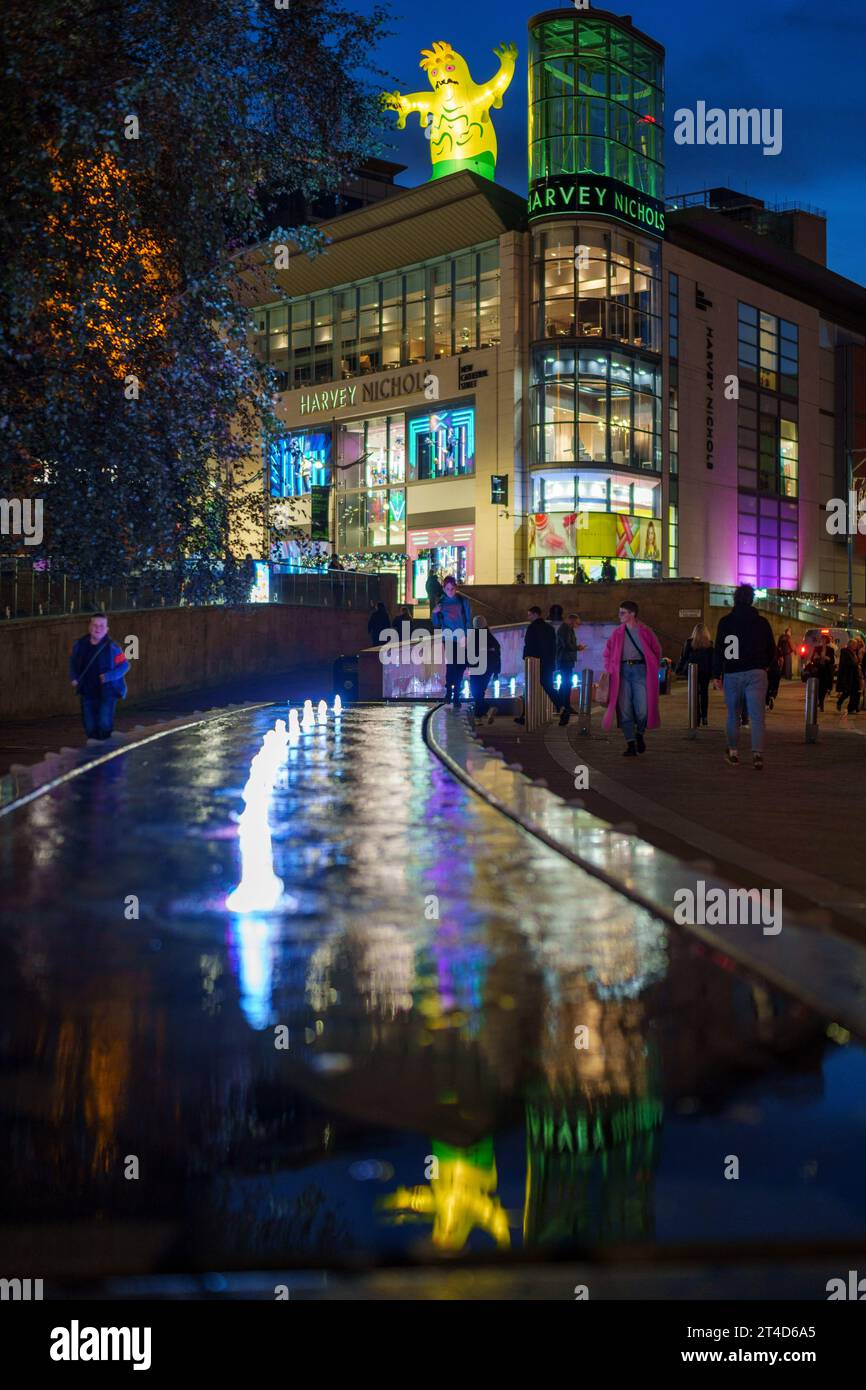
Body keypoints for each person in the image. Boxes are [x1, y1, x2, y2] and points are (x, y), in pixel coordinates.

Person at [712, 584, 776, 770]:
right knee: (757, 716)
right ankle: (757, 755)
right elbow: (772, 649)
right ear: (751, 600)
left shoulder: (725, 622)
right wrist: (765, 665)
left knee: (733, 715)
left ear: (735, 599)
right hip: (756, 672)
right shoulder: (762, 623)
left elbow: (719, 650)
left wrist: (717, 674)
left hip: (732, 672)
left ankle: (733, 752)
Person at [602, 601, 662, 755]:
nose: (619, 615)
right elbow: (607, 652)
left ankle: (639, 734)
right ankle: (630, 743)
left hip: (641, 671)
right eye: (620, 612)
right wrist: (610, 668)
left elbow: (656, 650)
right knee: (625, 709)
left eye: (623, 612)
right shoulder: (617, 633)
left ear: (632, 614)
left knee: (643, 710)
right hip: (621, 672)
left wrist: (652, 666)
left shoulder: (645, 631)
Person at [69, 613, 130, 742]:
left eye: (101, 626)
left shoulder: (113, 647)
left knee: (104, 723)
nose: (98, 628)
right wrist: (74, 677)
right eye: (95, 625)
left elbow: (124, 665)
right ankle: (95, 749)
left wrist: (109, 676)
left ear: (107, 629)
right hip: (87, 690)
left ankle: (105, 749)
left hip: (107, 691)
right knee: (89, 725)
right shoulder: (79, 645)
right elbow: (73, 663)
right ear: (89, 627)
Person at [432, 575, 472, 708]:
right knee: (452, 665)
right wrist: (434, 612)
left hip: (461, 638)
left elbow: (468, 620)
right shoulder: (441, 603)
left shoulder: (463, 601)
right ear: (444, 589)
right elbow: (436, 623)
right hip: (448, 638)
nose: (450, 591)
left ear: (456, 588)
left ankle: (455, 694)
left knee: (460, 667)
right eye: (448, 589)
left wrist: (468, 636)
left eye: (452, 588)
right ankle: (450, 692)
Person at [518, 604, 559, 723]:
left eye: (530, 615)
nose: (528, 617)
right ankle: (561, 705)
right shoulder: (549, 628)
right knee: (548, 686)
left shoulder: (532, 628)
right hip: (548, 664)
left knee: (530, 688)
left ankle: (526, 715)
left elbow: (529, 645)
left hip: (534, 663)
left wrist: (526, 658)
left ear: (536, 614)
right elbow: (553, 647)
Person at [676, 622, 714, 726]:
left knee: (694, 693)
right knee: (704, 693)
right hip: (705, 671)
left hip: (693, 670)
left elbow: (683, 657)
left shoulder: (690, 642)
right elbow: (712, 660)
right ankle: (705, 717)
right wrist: (714, 673)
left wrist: (678, 669)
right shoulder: (709, 644)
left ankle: (696, 716)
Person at [467, 616, 501, 723]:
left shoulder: (474, 637)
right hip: (489, 669)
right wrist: (496, 672)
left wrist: (467, 665)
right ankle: (479, 716)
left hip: (477, 668)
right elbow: (497, 655)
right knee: (480, 691)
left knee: (475, 691)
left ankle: (486, 711)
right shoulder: (491, 638)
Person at [555, 613, 587, 726]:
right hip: (565, 660)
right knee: (566, 683)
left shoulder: (568, 629)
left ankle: (563, 704)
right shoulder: (564, 629)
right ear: (571, 621)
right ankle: (564, 705)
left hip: (567, 659)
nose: (578, 625)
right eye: (577, 623)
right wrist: (578, 648)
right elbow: (567, 645)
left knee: (566, 683)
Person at [835, 639, 862, 717]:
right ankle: (839, 702)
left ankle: (852, 708)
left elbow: (856, 661)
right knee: (847, 692)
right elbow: (849, 663)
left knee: (854, 692)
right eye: (855, 644)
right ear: (850, 644)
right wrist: (856, 663)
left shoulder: (854, 652)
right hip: (847, 675)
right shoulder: (845, 651)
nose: (856, 646)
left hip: (854, 675)